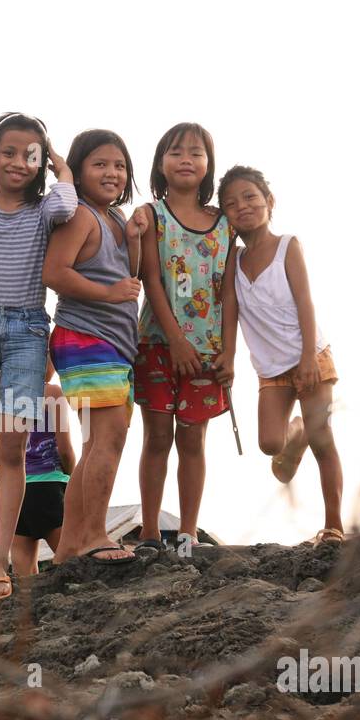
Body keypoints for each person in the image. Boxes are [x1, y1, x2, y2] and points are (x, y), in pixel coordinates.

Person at [0, 113, 77, 602]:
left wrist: (61, 167)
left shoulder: (44, 211)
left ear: (41, 161)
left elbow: (66, 203)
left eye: (30, 154)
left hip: (27, 330)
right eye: (9, 152)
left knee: (11, 450)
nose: (18, 162)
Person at [216, 166, 344, 545]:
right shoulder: (232, 260)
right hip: (271, 370)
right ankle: (296, 430)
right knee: (270, 445)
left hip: (310, 357)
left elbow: (305, 302)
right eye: (231, 204)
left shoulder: (288, 245)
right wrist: (229, 358)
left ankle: (334, 525)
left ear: (269, 202)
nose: (243, 207)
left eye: (251, 198)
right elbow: (230, 310)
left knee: (322, 440)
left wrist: (307, 358)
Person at [43, 128, 148, 564]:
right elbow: (55, 272)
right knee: (108, 439)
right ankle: (95, 535)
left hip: (113, 344)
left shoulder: (116, 219)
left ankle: (69, 547)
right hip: (87, 337)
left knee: (99, 443)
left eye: (120, 165)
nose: (112, 172)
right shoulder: (82, 216)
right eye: (100, 164)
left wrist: (137, 237)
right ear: (80, 170)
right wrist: (108, 295)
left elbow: (130, 274)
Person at [133, 123, 235, 553]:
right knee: (157, 436)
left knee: (192, 438)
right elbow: (150, 279)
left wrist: (230, 350)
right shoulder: (151, 215)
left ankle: (188, 533)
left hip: (209, 349)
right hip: (158, 343)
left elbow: (229, 291)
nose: (186, 159)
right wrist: (175, 340)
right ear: (161, 163)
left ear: (209, 165)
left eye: (196, 152)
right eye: (176, 152)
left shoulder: (224, 222)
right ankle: (151, 531)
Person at [11, 371, 77, 576]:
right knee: (73, 563)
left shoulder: (11, 394)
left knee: (25, 580)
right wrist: (73, 477)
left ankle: (30, 608)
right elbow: (64, 449)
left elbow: (0, 460)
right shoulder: (53, 392)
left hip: (16, 489)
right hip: (49, 485)